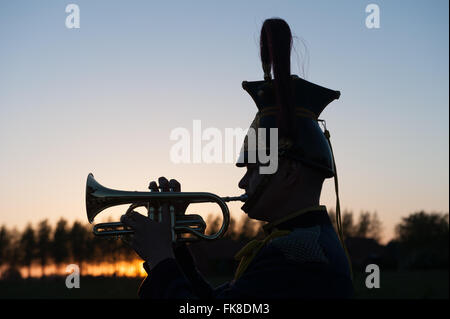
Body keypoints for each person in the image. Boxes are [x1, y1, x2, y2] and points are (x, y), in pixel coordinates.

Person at [121, 18, 354, 299]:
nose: (243, 181)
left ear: (290, 172)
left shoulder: (298, 253)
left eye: (254, 168)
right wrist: (173, 248)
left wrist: (159, 258)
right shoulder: (297, 244)